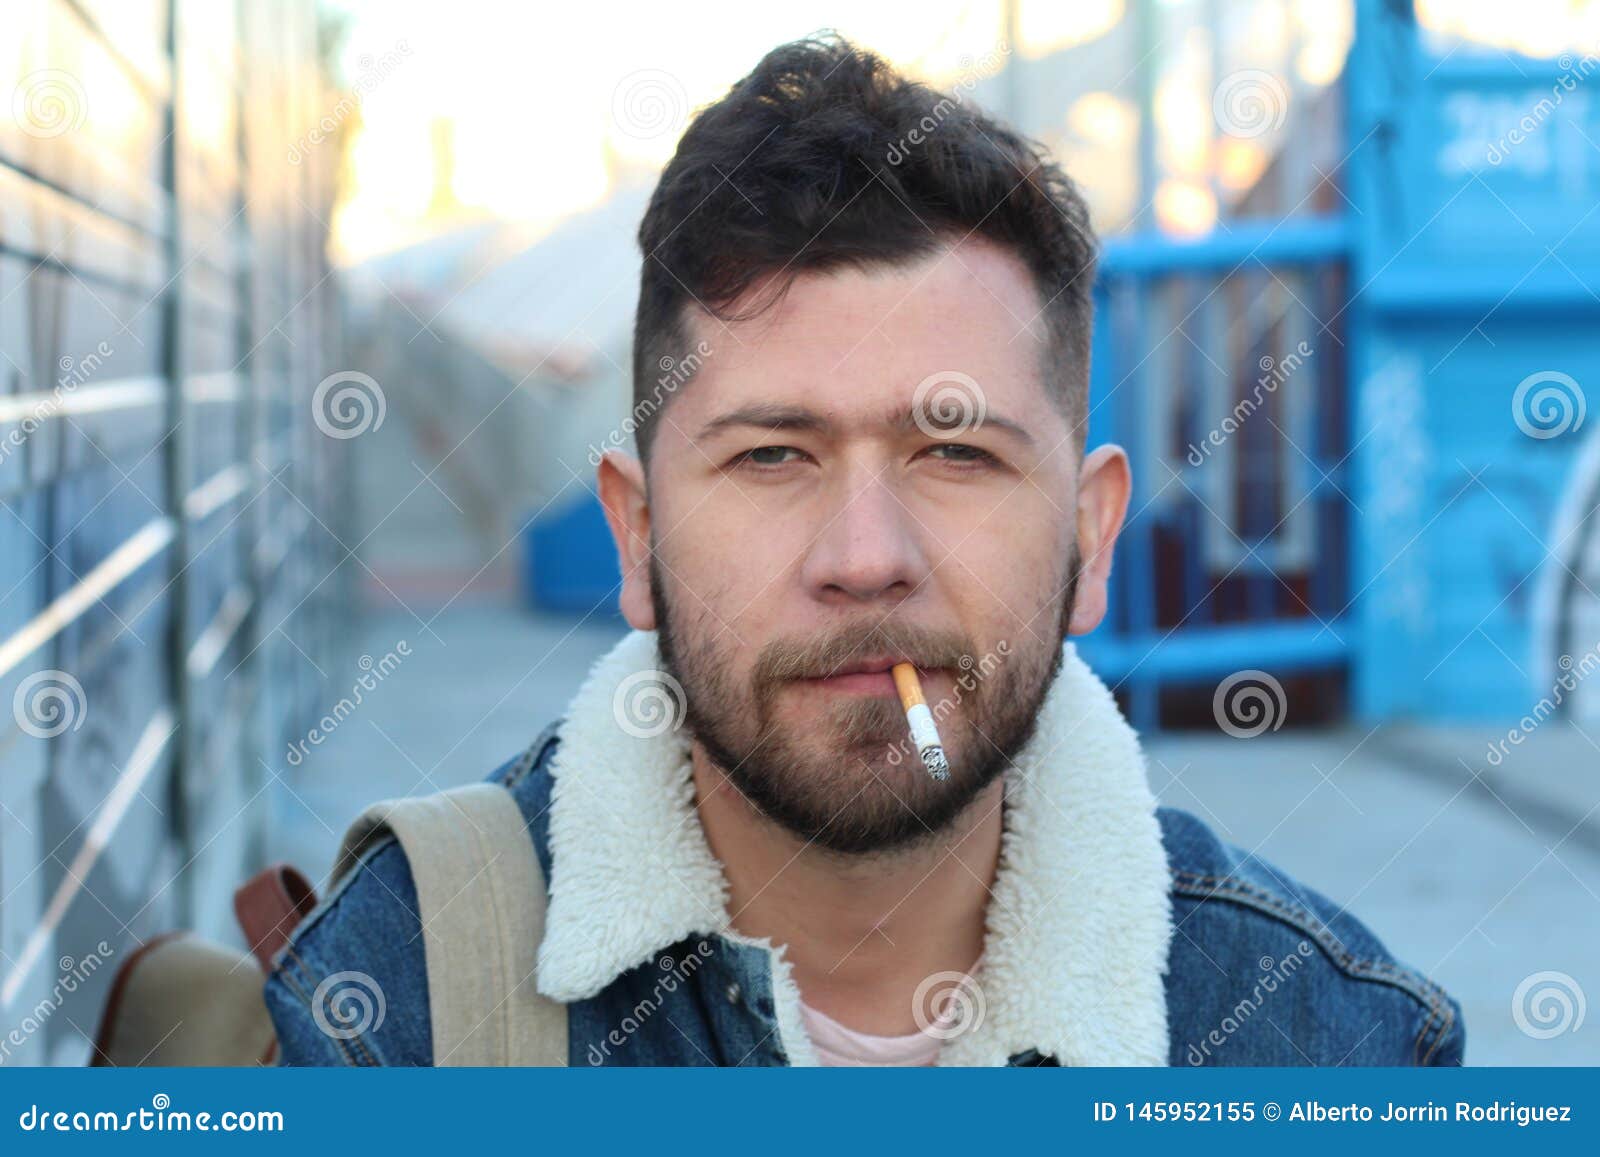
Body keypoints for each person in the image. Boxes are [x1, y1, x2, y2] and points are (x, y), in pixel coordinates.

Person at [265, 34, 1464, 1067]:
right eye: (773, 457)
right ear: (636, 534)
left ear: (1090, 539)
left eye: (955, 455)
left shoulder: (1323, 1040)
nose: (864, 557)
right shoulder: (398, 1001)